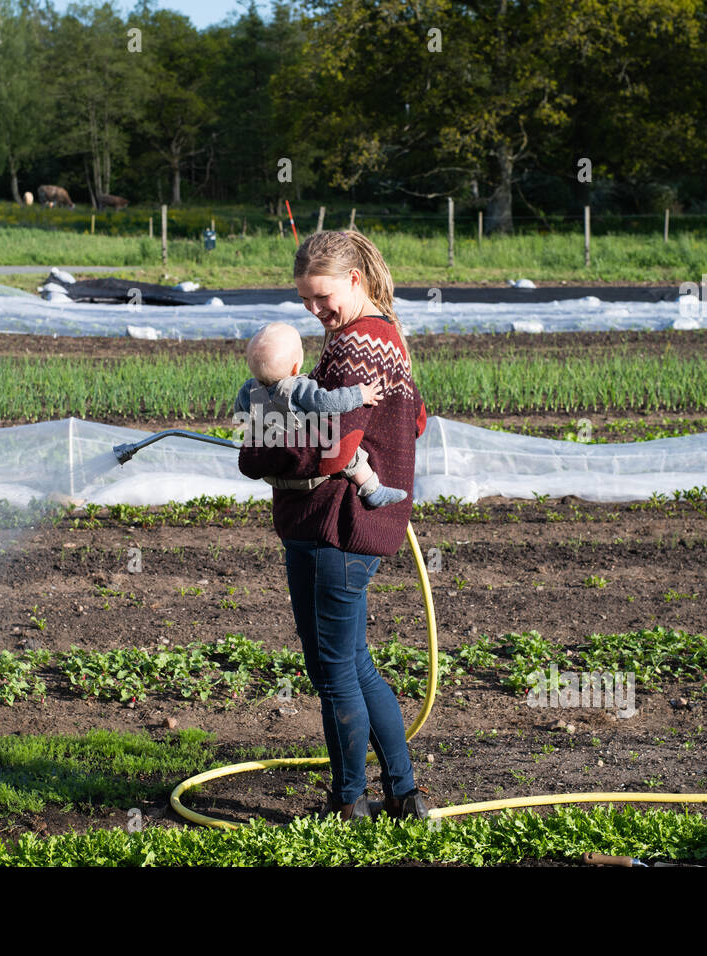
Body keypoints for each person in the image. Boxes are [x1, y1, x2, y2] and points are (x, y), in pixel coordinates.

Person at [237, 229, 432, 822]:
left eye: (323, 297)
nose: (315, 311)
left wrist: (256, 445)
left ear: (355, 279)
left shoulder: (353, 347)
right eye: (305, 302)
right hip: (355, 527)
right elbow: (417, 419)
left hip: (333, 528)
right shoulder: (386, 336)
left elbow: (327, 450)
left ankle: (350, 802)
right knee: (354, 664)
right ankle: (404, 795)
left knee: (332, 672)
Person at [233, 321, 408, 508]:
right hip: (311, 469)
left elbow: (241, 414)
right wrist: (359, 395)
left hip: (277, 473)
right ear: (295, 367)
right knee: (347, 448)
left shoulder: (247, 390)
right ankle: (372, 489)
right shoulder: (298, 387)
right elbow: (326, 402)